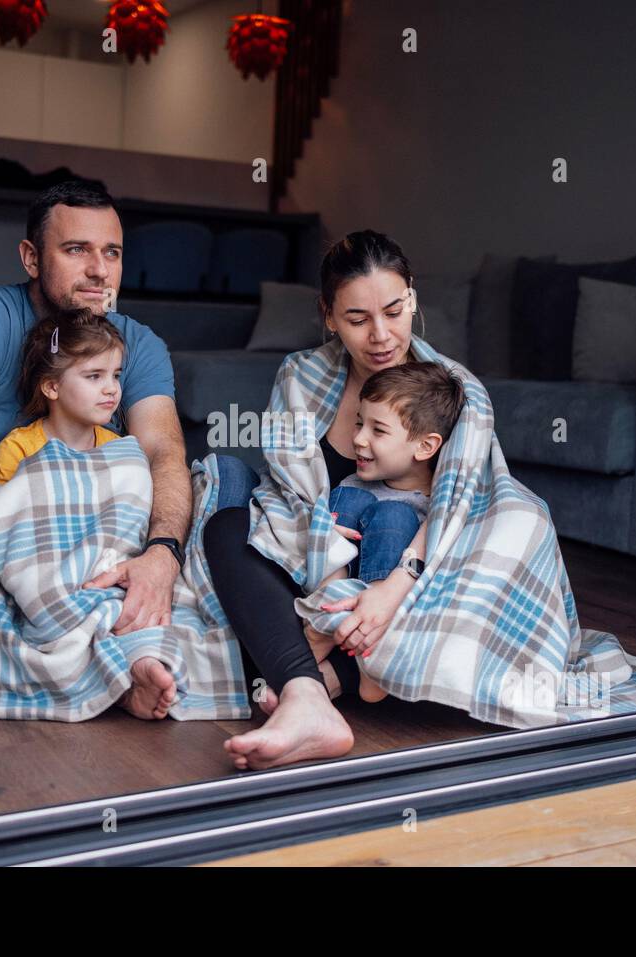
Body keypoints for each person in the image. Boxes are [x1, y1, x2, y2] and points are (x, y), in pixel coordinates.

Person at [0, 178, 188, 720]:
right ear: (30, 257)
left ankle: (88, 644)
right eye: (76, 250)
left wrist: (163, 553)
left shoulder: (136, 344)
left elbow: (161, 450)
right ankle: (118, 659)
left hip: (94, 537)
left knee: (225, 483)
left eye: (111, 253)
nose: (98, 270)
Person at [203, 230, 443, 770]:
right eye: (357, 319)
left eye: (394, 310)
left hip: (403, 568)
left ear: (413, 298)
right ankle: (313, 691)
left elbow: (465, 504)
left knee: (433, 531)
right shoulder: (302, 375)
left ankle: (313, 675)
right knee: (226, 522)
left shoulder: (451, 390)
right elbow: (288, 495)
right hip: (316, 560)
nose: (381, 336)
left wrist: (388, 590)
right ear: (329, 317)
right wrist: (330, 582)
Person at [307, 361, 464, 703]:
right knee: (344, 495)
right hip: (336, 586)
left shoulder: (435, 504)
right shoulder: (352, 485)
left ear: (425, 447)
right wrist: (324, 534)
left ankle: (373, 647)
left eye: (378, 430)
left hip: (391, 604)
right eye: (359, 423)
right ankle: (326, 612)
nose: (359, 439)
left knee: (393, 512)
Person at [0, 307, 124, 484]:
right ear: (52, 387)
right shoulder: (18, 449)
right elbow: (6, 508)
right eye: (94, 376)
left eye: (116, 376)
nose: (112, 388)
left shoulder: (118, 449)